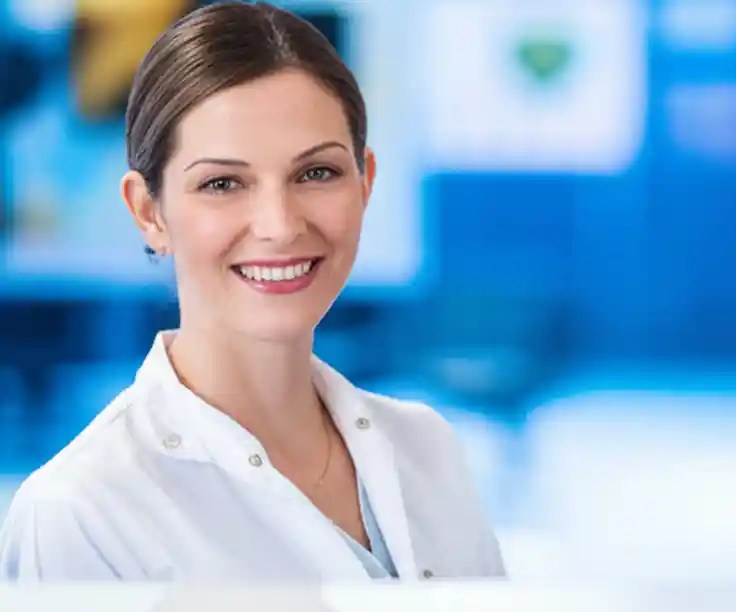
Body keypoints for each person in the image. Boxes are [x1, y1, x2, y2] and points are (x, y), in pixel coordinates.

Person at [0, 1, 504, 581]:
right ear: (149, 212)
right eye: (222, 183)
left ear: (365, 183)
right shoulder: (80, 513)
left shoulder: (426, 448)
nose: (279, 224)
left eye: (316, 173)